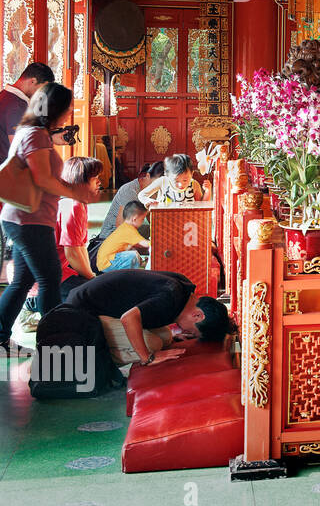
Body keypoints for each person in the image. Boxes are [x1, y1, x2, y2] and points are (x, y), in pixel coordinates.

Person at [0, 84, 98, 354]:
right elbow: (43, 179)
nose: (70, 112)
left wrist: (54, 139)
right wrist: (76, 192)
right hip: (29, 221)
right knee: (50, 279)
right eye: (67, 108)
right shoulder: (36, 135)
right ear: (55, 109)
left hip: (25, 218)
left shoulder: (35, 132)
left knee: (23, 282)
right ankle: (53, 343)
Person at [60, 269, 234, 366]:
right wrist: (148, 357)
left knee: (166, 337)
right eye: (193, 332)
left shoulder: (184, 289)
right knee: (153, 344)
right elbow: (129, 318)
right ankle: (95, 361)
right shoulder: (169, 298)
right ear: (198, 315)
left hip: (99, 306)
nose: (188, 332)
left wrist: (173, 337)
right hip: (83, 315)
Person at [57, 156, 104, 302]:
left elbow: (81, 248)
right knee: (99, 296)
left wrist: (90, 276)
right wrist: (91, 278)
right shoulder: (73, 205)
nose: (99, 182)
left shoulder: (80, 204)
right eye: (94, 177)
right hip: (51, 280)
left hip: (63, 272)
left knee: (103, 285)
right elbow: (72, 253)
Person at [0, 62, 54, 165]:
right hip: (12, 173)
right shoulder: (16, 106)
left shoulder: (1, 96)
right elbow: (20, 150)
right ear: (33, 81)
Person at [96, 161, 162, 243]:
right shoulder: (130, 191)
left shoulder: (152, 190)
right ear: (147, 176)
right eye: (157, 183)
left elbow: (151, 219)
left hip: (132, 230)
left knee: (162, 233)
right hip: (112, 236)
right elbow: (120, 226)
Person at [96, 201, 149, 272]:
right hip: (107, 263)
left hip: (104, 261)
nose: (142, 222)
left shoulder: (124, 227)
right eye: (142, 219)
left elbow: (138, 244)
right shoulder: (129, 230)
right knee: (133, 255)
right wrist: (157, 243)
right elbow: (145, 244)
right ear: (134, 219)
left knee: (133, 251)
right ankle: (131, 276)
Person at [138, 153, 203, 207]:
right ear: (167, 175)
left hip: (187, 219)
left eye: (185, 180)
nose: (181, 184)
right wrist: (148, 201)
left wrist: (208, 191)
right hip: (164, 218)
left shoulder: (194, 184)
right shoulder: (163, 181)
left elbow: (201, 204)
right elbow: (141, 195)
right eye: (176, 181)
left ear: (192, 174)